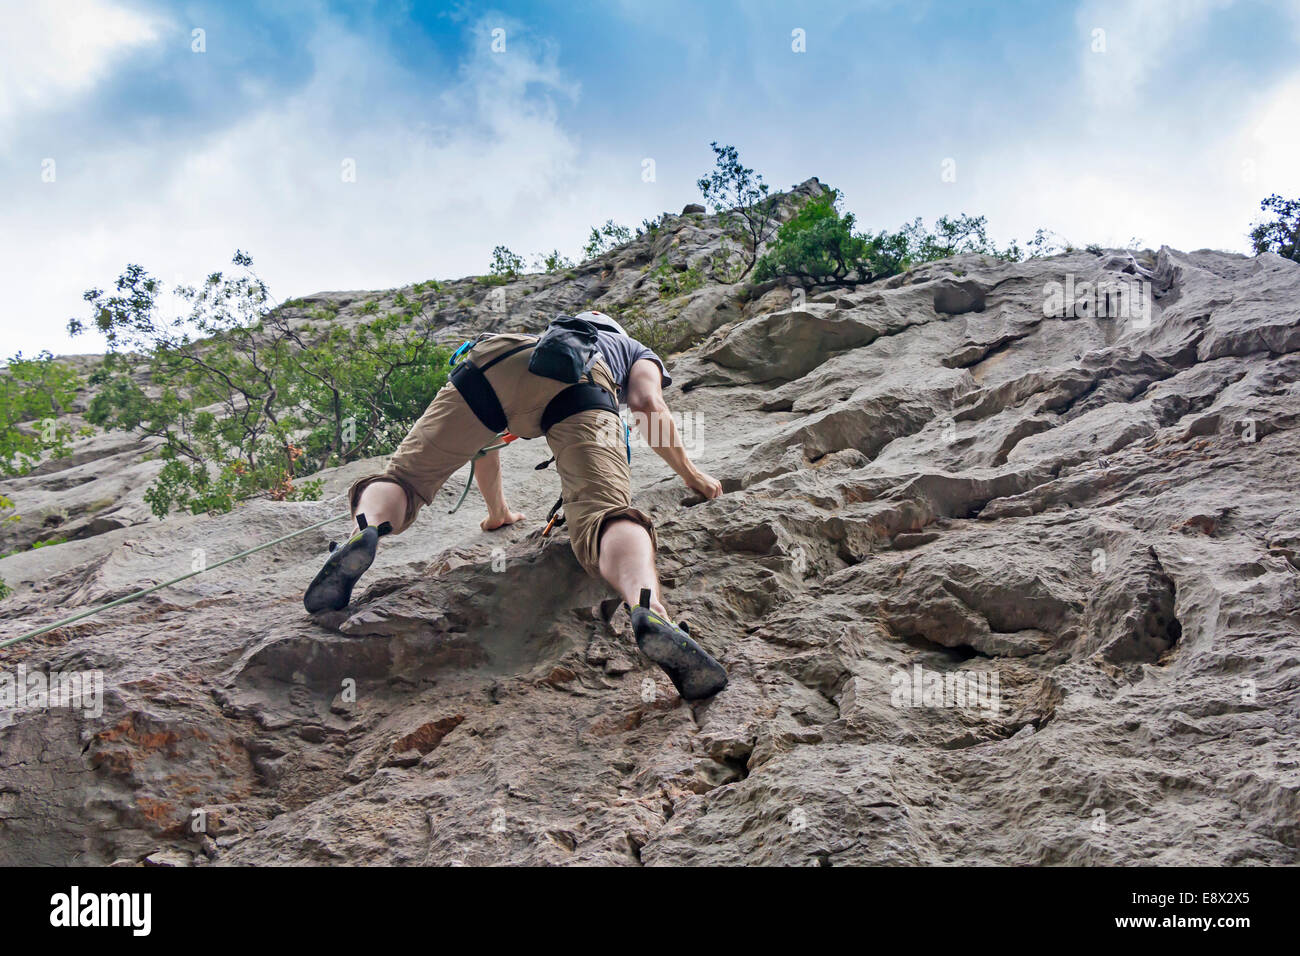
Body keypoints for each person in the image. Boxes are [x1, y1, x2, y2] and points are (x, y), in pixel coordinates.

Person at [303, 310, 728, 700]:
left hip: (497, 358)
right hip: (580, 384)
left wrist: (497, 513)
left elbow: (484, 442)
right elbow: (645, 404)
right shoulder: (635, 350)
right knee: (604, 512)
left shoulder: (547, 335)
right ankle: (648, 608)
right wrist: (693, 476)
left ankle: (366, 527)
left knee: (404, 480)